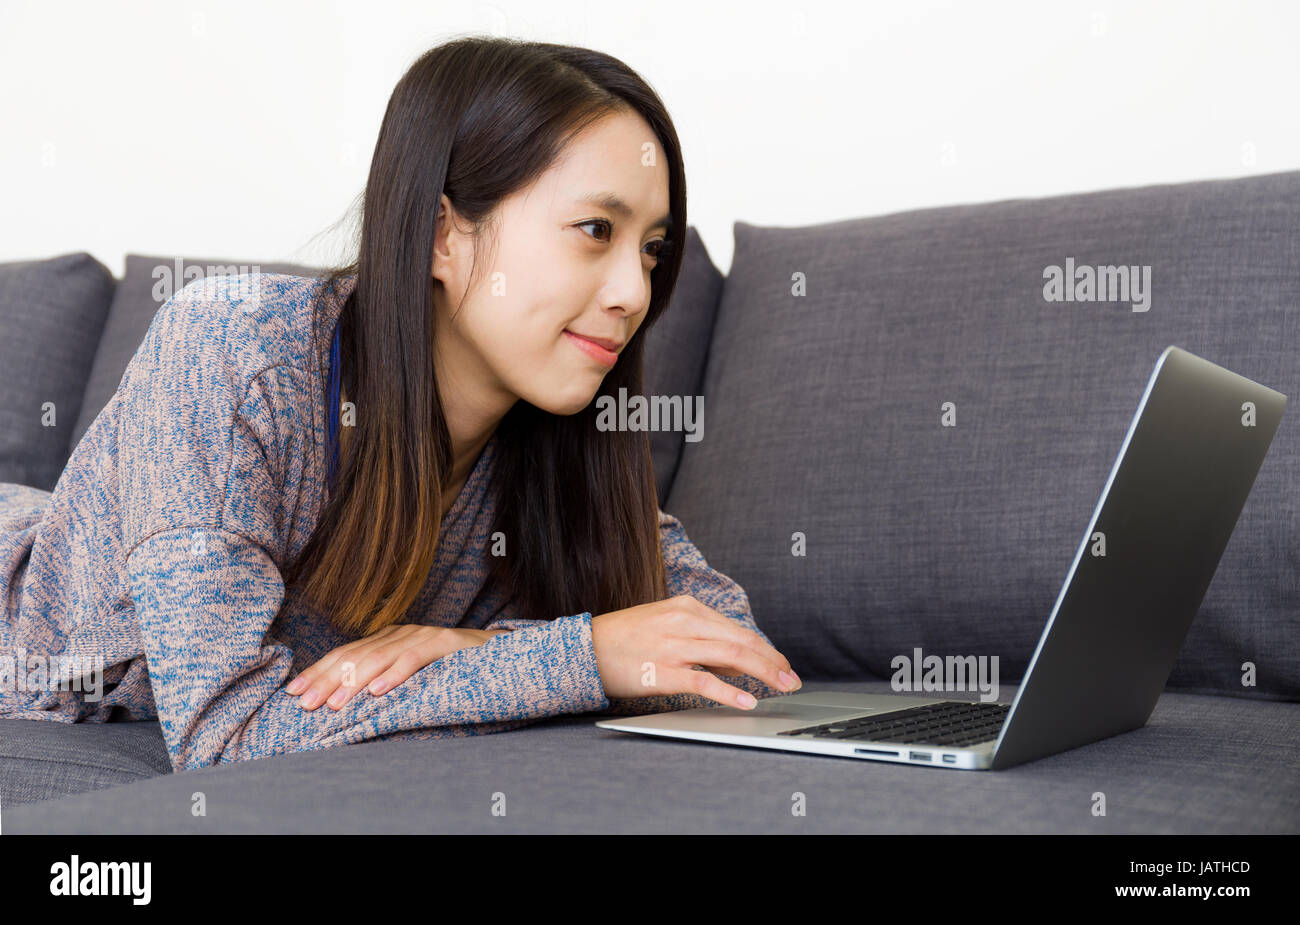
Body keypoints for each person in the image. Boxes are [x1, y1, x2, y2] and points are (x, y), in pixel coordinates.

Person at [0, 36, 799, 773]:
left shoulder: (550, 444)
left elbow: (737, 658)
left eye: (652, 250)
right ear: (443, 237)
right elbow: (227, 737)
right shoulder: (230, 353)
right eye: (595, 229)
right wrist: (577, 656)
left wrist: (464, 645)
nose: (635, 291)